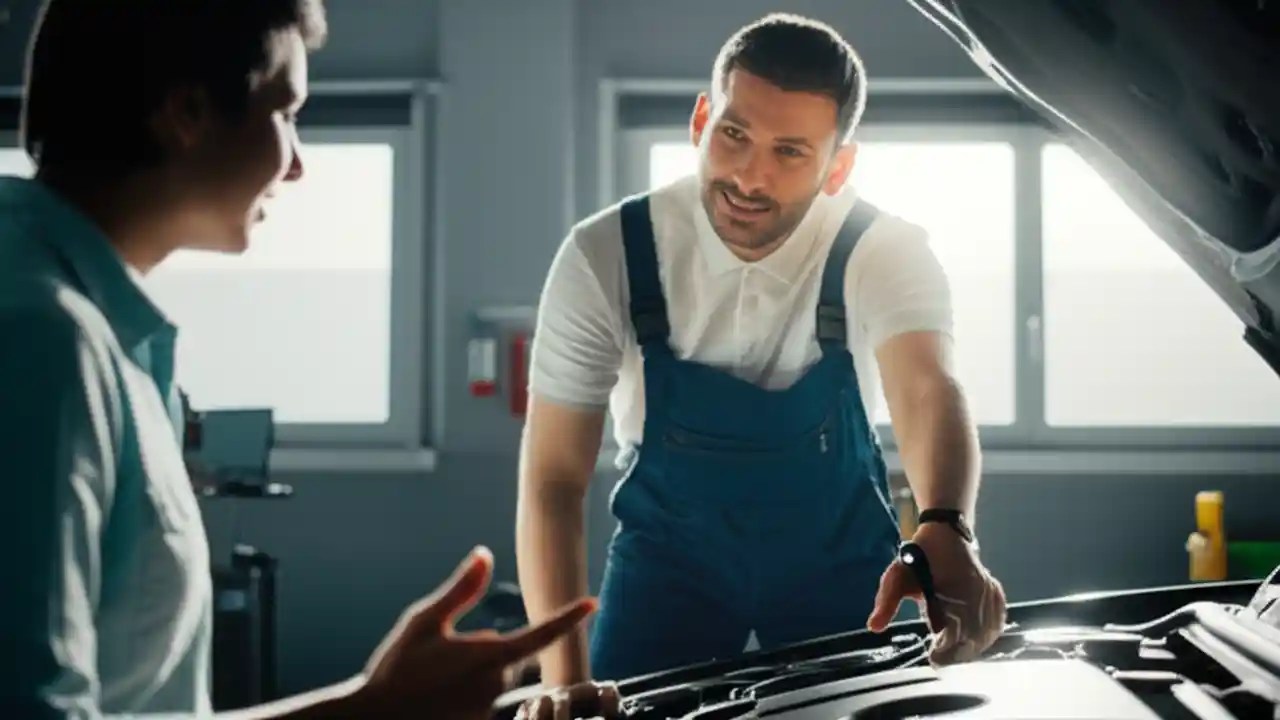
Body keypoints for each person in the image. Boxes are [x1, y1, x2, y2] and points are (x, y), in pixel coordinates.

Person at [0, 1, 595, 718]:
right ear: (187, 112)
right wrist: (369, 711)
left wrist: (371, 703)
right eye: (284, 113)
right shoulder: (40, 337)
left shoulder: (106, 336)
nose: (299, 164)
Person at [516, 11, 1009, 699]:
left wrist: (949, 524)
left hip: (839, 564)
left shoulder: (884, 248)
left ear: (838, 166)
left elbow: (927, 386)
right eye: (735, 135)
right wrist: (564, 683)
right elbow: (553, 480)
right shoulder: (605, 256)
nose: (750, 177)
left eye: (790, 151)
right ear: (700, 122)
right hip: (668, 564)